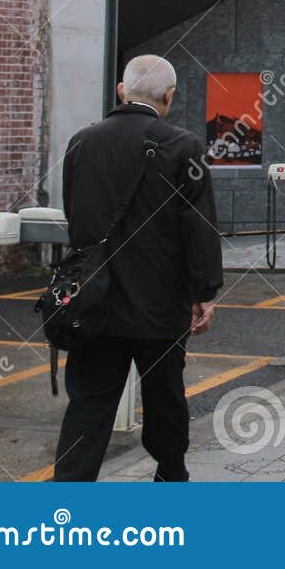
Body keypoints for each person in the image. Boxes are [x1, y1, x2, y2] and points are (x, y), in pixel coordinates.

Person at [53, 55, 222, 482]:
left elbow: (78, 220)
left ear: (120, 91)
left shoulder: (81, 143)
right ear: (169, 96)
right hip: (161, 304)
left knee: (89, 403)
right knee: (165, 398)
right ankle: (169, 478)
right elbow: (198, 228)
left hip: (94, 298)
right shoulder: (184, 146)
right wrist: (204, 292)